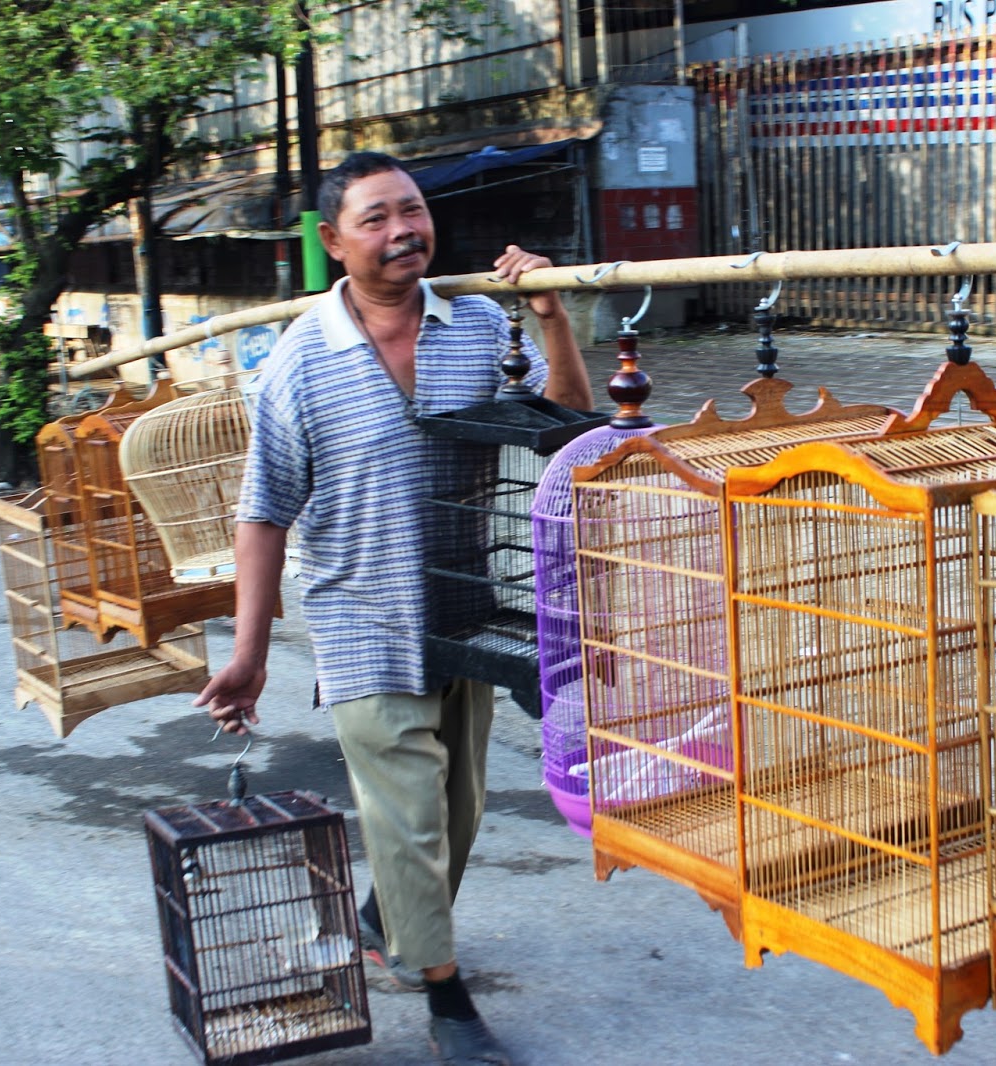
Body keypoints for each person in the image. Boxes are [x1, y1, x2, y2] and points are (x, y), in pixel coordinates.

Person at [195, 151, 593, 1066]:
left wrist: (550, 315)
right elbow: (262, 513)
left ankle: (388, 918)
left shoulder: (478, 325)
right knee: (411, 805)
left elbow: (569, 424)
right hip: (360, 611)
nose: (403, 230)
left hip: (465, 603)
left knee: (458, 806)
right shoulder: (298, 364)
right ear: (334, 242)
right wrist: (250, 651)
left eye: (412, 211)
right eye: (376, 218)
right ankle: (446, 998)